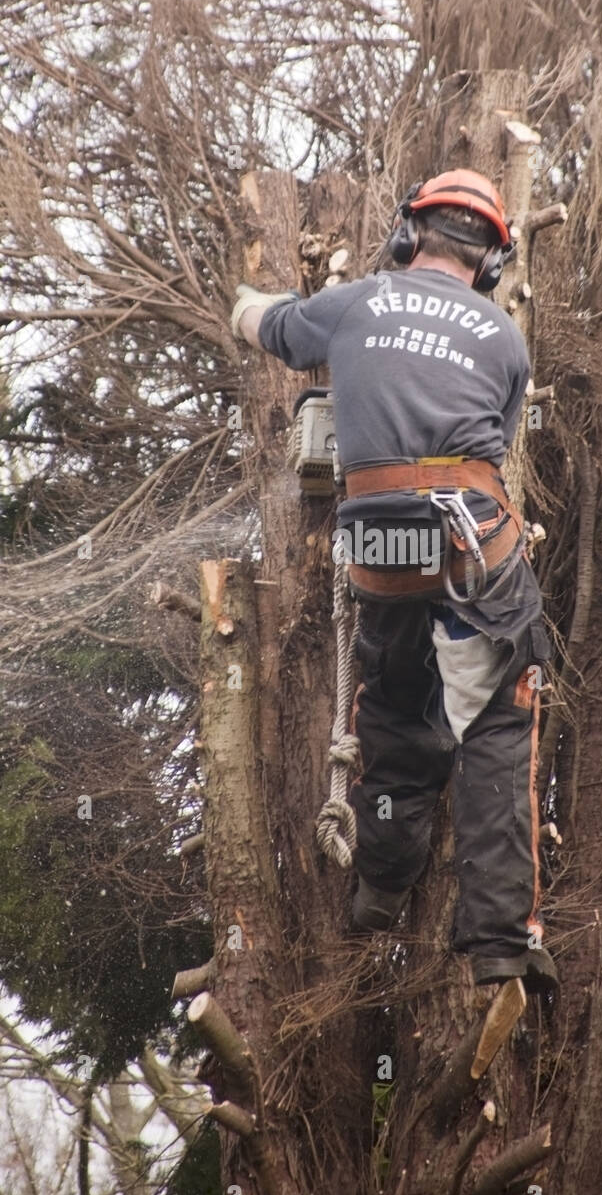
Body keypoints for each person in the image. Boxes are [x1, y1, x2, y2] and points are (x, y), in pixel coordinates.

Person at [231, 170, 557, 993]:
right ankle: (496, 944)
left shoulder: (359, 299)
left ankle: (378, 887)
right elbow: (491, 452)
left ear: (409, 235)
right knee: (493, 724)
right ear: (490, 265)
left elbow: (271, 329)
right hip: (473, 544)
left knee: (395, 711)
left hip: (379, 547)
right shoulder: (505, 339)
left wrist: (241, 299)